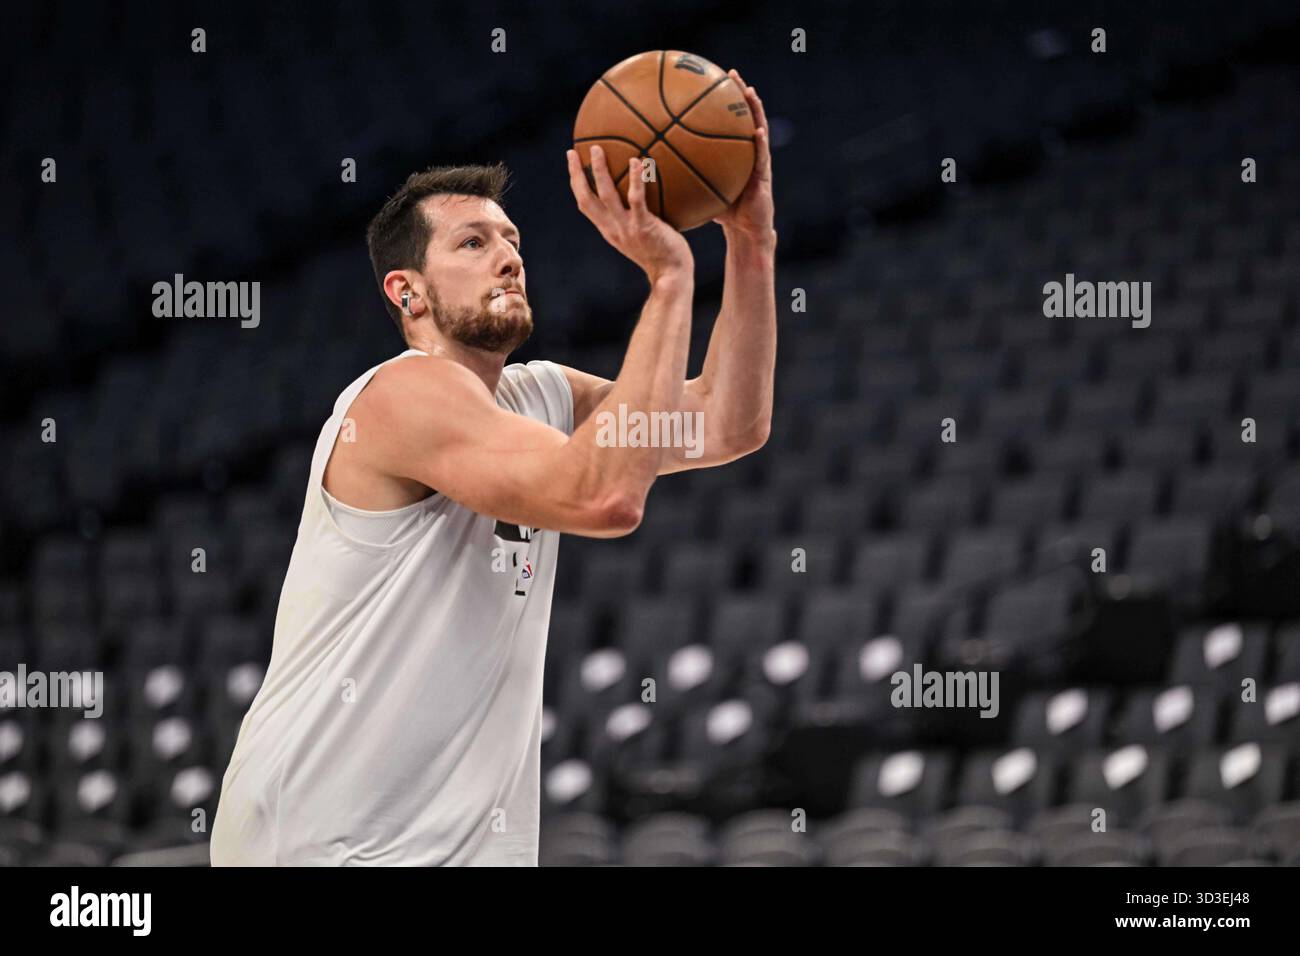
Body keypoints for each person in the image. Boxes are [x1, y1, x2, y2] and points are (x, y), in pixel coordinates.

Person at [210, 72, 776, 866]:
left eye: (513, 241)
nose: (507, 258)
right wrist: (671, 278)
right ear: (405, 292)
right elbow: (608, 494)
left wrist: (751, 243)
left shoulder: (540, 393)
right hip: (330, 841)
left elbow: (731, 421)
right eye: (473, 243)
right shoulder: (401, 394)